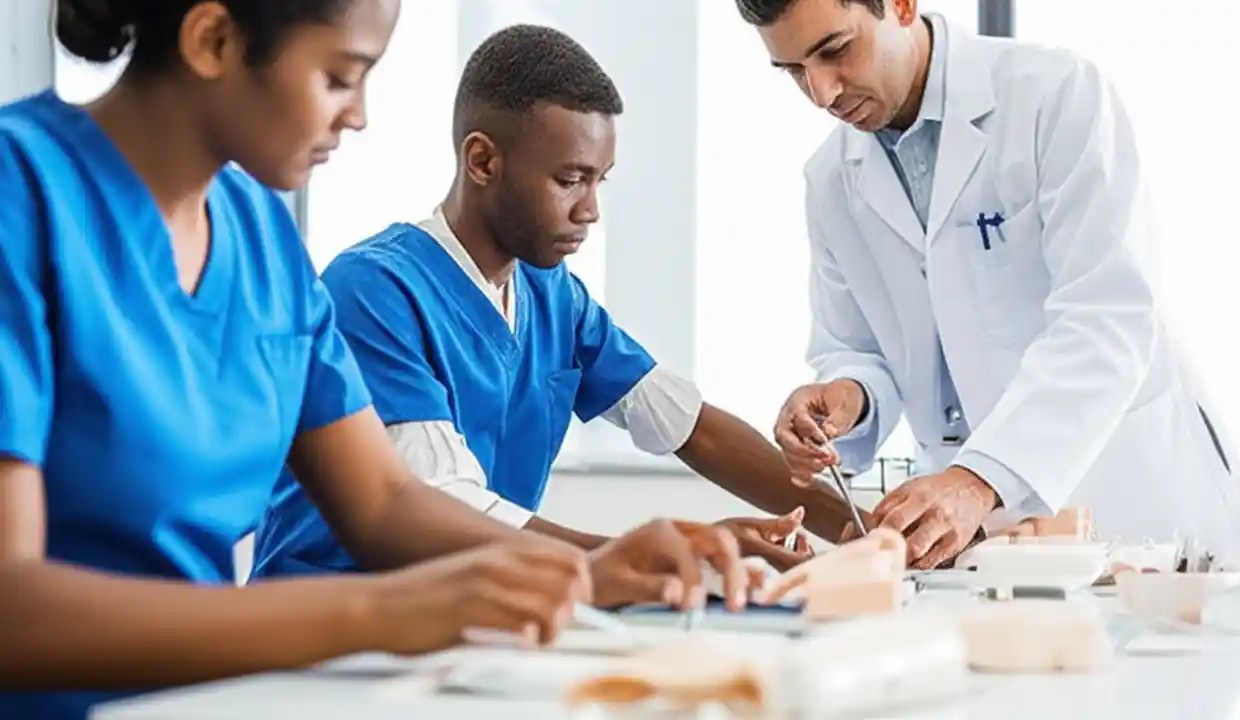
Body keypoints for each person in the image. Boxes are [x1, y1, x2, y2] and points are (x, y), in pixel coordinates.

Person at [0, 3, 750, 717]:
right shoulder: (21, 196)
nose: (357, 114)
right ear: (213, 41)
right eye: (338, 76)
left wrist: (586, 575)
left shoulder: (260, 237)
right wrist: (382, 610)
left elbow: (384, 503)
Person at [253, 24, 871, 584]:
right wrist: (632, 560)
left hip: (467, 615)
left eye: (600, 180)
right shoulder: (375, 290)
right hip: (327, 636)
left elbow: (688, 426)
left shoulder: (552, 294)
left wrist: (851, 524)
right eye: (570, 180)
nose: (590, 210)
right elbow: (443, 501)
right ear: (482, 160)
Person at [735, 0, 1240, 568]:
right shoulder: (829, 180)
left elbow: (1106, 318)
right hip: (984, 538)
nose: (822, 93)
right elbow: (857, 350)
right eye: (794, 71)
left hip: (1135, 503)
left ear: (901, 5)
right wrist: (849, 397)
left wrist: (977, 479)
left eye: (836, 51)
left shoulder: (1054, 96)